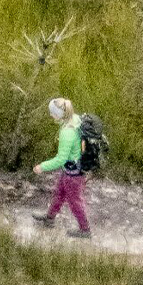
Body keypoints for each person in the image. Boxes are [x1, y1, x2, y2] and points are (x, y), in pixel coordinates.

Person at [33, 97, 91, 236]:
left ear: (59, 115)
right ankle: (49, 219)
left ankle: (85, 230)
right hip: (72, 168)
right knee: (59, 193)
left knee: (75, 201)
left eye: (52, 113)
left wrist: (42, 166)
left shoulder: (67, 133)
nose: (50, 115)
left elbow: (60, 159)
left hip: (74, 173)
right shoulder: (75, 119)